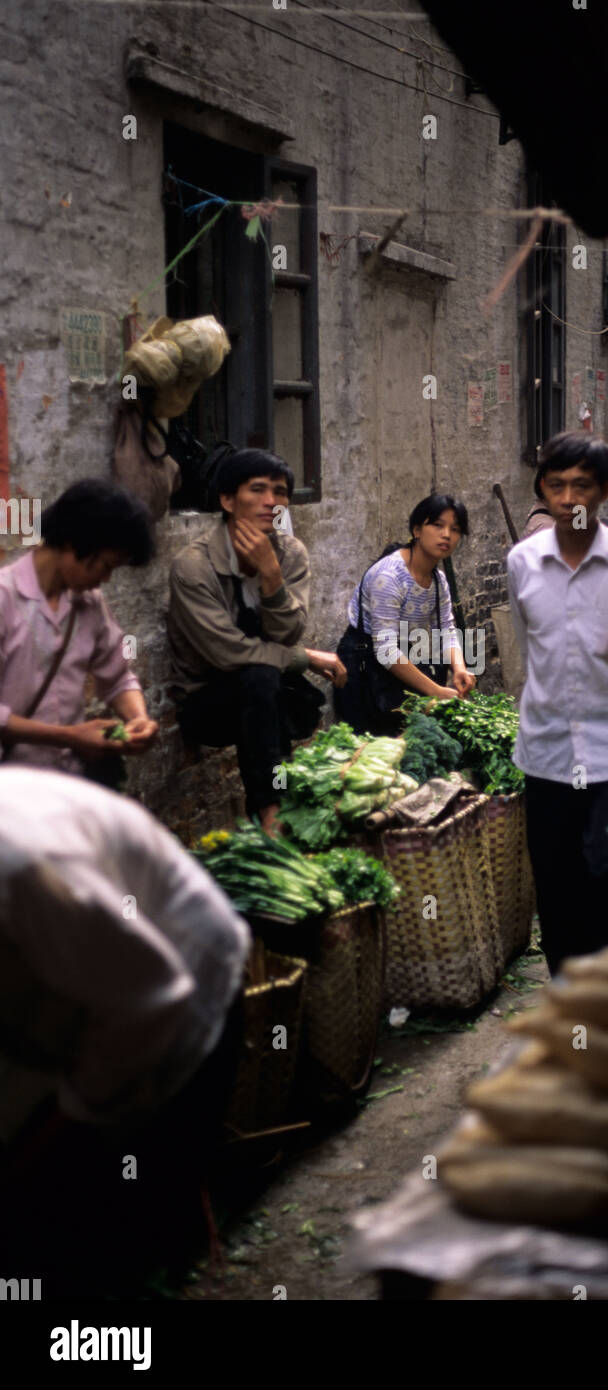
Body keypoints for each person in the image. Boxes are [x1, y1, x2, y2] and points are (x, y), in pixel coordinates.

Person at [0, 767, 250, 1293]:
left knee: (127, 1223)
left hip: (181, 976)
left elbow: (154, 998)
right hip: (83, 983)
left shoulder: (25, 865)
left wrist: (76, 1111)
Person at [507, 433, 608, 975]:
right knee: (555, 883)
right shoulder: (523, 563)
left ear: (604, 490)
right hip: (546, 749)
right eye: (556, 485)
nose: (568, 498)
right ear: (542, 491)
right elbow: (528, 641)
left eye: (582, 485)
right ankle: (567, 999)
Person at [167, 449, 346, 833]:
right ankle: (271, 813)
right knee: (261, 681)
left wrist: (270, 575)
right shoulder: (193, 566)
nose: (271, 502)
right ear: (227, 500)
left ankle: (273, 811)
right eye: (258, 490)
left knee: (272, 690)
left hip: (266, 694)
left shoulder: (290, 553)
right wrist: (305, 658)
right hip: (207, 699)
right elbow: (227, 652)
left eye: (279, 492)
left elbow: (289, 630)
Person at [0, 479, 159, 780]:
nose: (107, 579)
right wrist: (70, 735)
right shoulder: (5, 598)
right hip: (9, 789)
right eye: (105, 565)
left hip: (67, 780)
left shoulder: (89, 603)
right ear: (73, 544)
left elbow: (118, 677)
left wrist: (139, 719)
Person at [334, 494, 475, 735]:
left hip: (401, 660)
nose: (447, 535)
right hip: (365, 663)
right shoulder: (389, 577)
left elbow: (446, 630)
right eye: (438, 525)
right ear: (417, 530)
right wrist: (436, 690)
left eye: (455, 529)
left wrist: (460, 668)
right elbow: (386, 650)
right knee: (366, 746)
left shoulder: (438, 580)